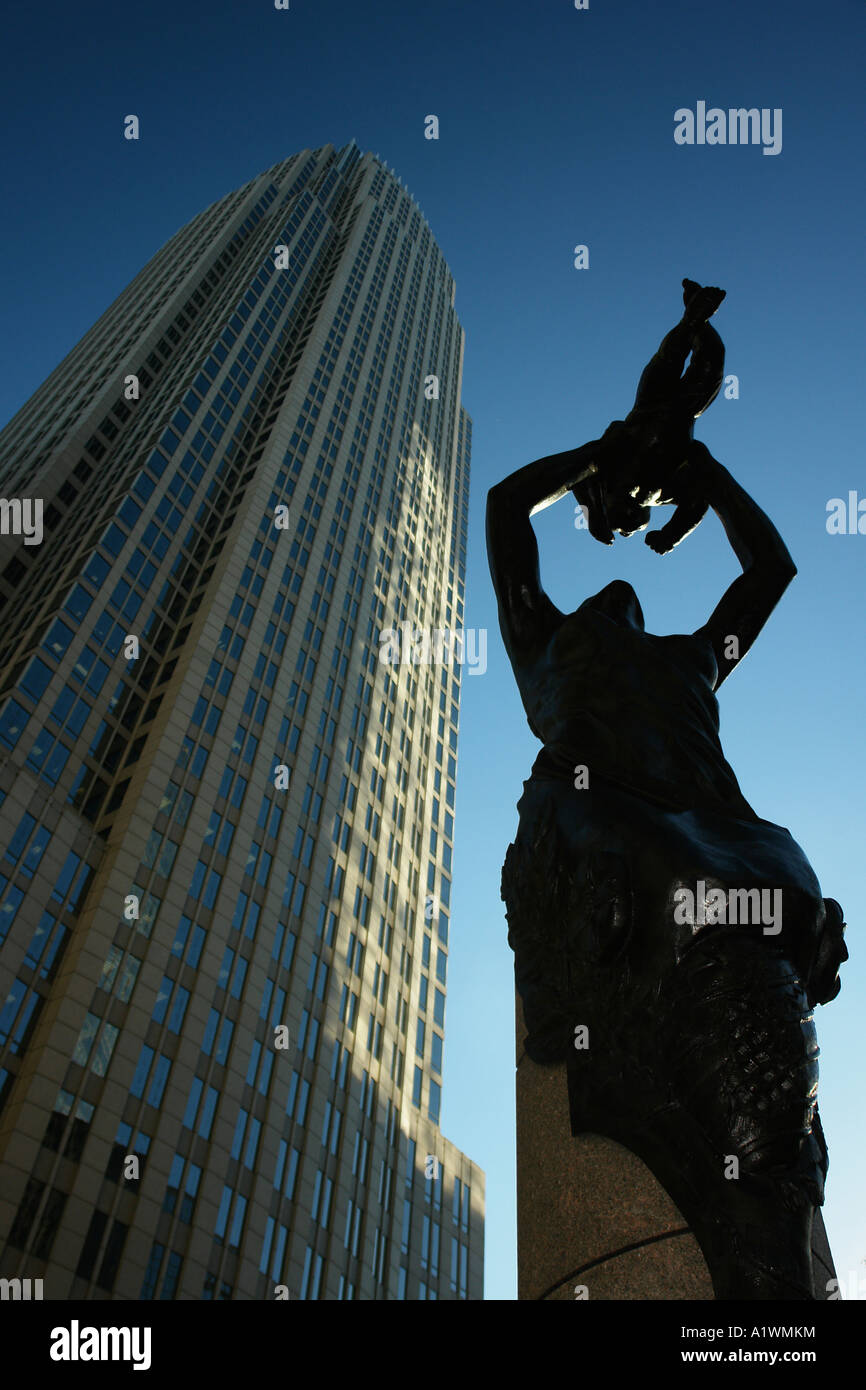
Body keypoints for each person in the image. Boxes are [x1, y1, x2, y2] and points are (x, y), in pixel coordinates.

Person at [487, 430, 847, 1299]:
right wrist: (603, 452)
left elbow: (770, 571)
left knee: (780, 901)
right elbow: (505, 507)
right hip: (618, 829)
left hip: (728, 844)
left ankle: (771, 1223)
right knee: (686, 901)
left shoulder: (691, 660)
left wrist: (706, 472)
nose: (617, 596)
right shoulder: (542, 642)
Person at [572, 279, 726, 552]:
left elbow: (578, 474)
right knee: (711, 361)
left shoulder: (607, 473)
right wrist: (671, 535)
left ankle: (693, 315)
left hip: (647, 404)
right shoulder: (663, 493)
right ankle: (696, 315)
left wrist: (592, 517)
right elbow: (698, 500)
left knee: (668, 357)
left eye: (618, 520)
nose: (625, 527)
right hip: (684, 410)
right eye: (631, 523)